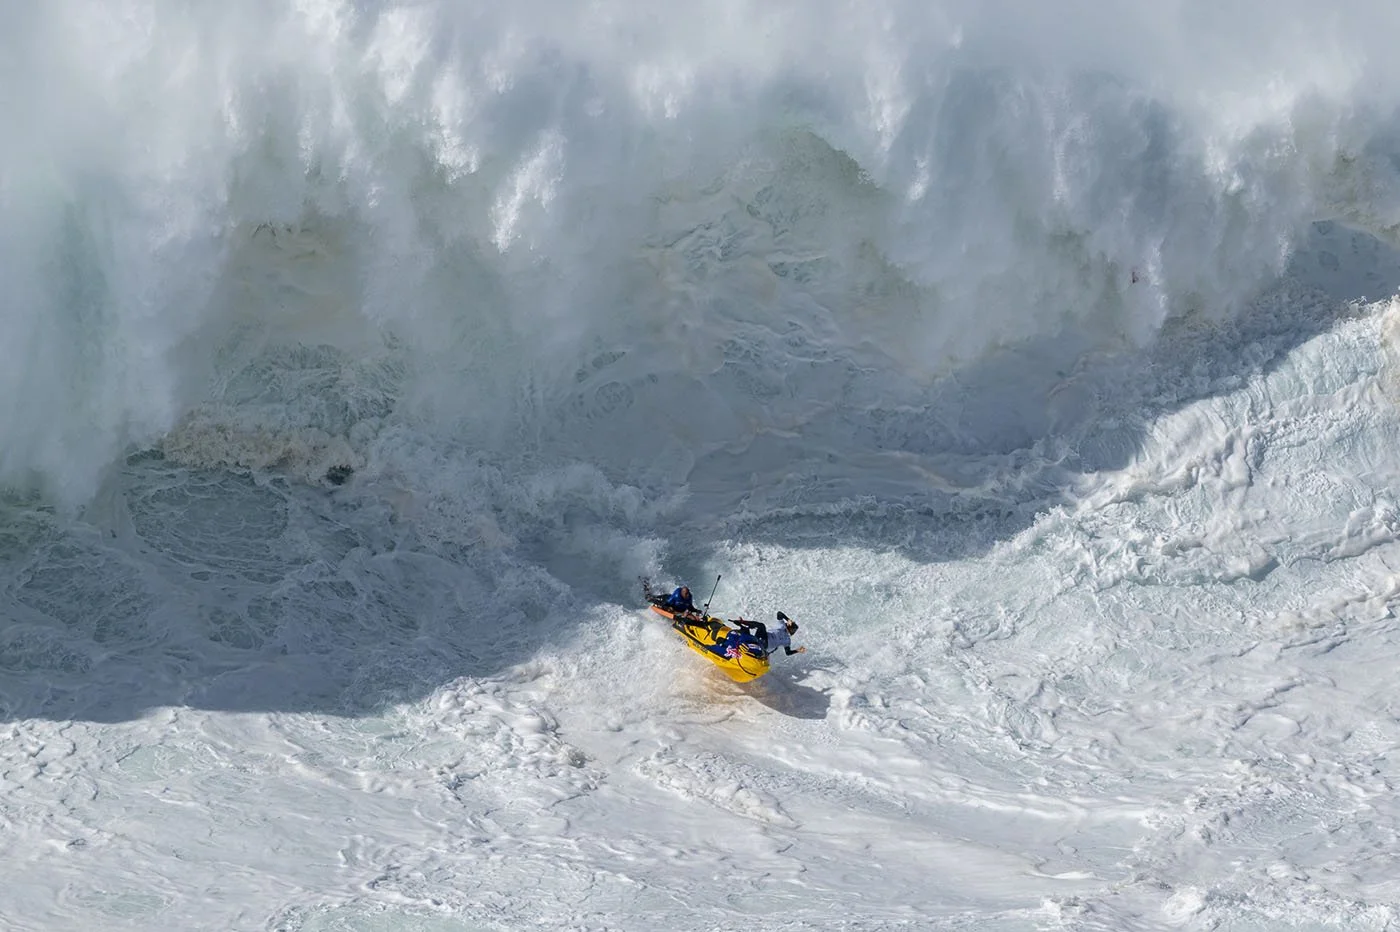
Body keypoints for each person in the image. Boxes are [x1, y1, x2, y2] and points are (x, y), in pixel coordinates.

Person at [732, 611, 806, 658]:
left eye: (794, 631)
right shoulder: (782, 625)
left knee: (773, 647)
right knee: (761, 626)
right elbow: (779, 614)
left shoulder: (787, 641)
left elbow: (788, 652)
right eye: (793, 629)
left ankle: (757, 654)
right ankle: (743, 622)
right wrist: (788, 619)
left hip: (765, 646)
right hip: (761, 637)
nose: (793, 632)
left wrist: (798, 650)